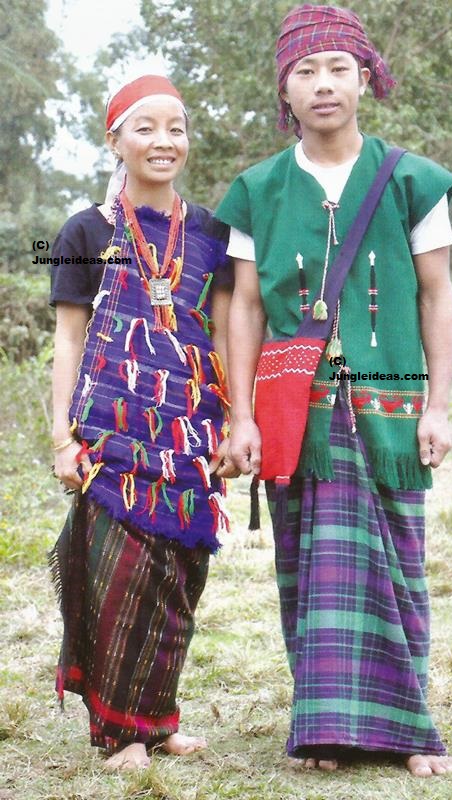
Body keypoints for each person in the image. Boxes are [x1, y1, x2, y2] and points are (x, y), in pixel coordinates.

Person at [216, 5, 452, 778]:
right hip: (300, 413)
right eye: (305, 71)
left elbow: (436, 295)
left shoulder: (411, 179)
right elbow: (245, 306)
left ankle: (410, 731)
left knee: (401, 565)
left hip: (390, 411)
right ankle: (325, 729)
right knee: (308, 565)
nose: (323, 85)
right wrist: (241, 415)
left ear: (365, 80)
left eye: (338, 70)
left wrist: (439, 405)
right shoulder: (256, 189)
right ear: (283, 88)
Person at [49, 74, 236, 770]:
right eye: (146, 127)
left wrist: (233, 423)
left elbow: (222, 335)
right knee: (117, 582)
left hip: (187, 436)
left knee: (180, 583)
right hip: (109, 438)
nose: (163, 141)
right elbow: (69, 339)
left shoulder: (214, 232)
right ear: (115, 139)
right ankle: (118, 733)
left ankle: (158, 720)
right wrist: (62, 437)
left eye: (176, 128)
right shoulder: (81, 231)